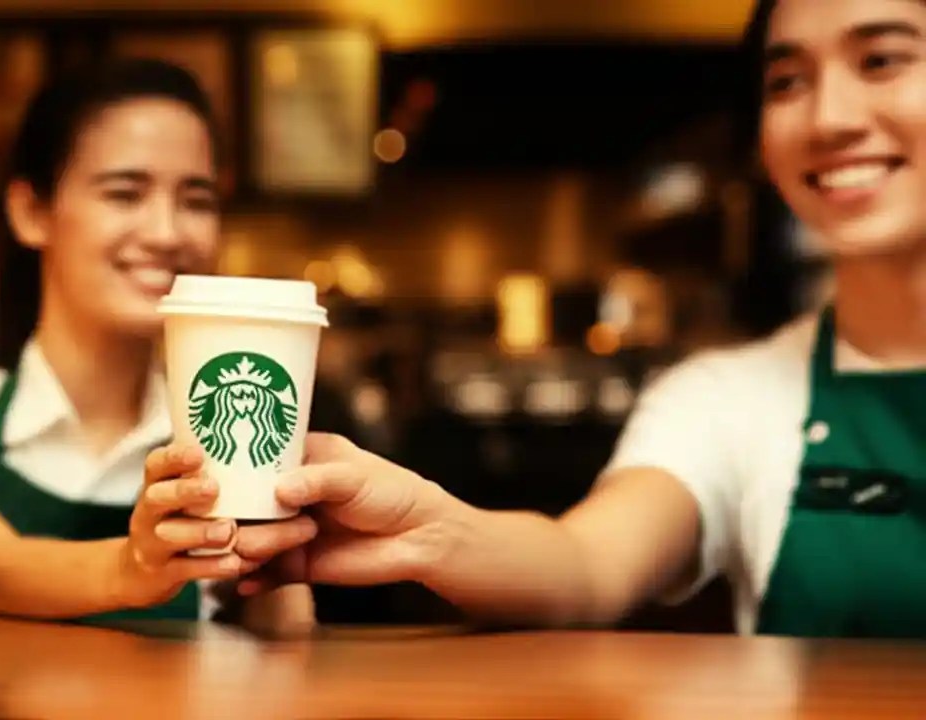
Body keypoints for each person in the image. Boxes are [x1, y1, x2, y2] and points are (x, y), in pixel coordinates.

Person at [224, 0, 926, 638]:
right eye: (786, 83)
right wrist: (429, 530)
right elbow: (588, 565)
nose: (829, 116)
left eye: (882, 61)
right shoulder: (726, 399)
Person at [0, 59, 315, 623]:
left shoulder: (230, 447)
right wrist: (133, 567)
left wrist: (283, 561)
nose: (167, 233)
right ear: (31, 212)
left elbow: (280, 666)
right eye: (125, 194)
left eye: (196, 200)